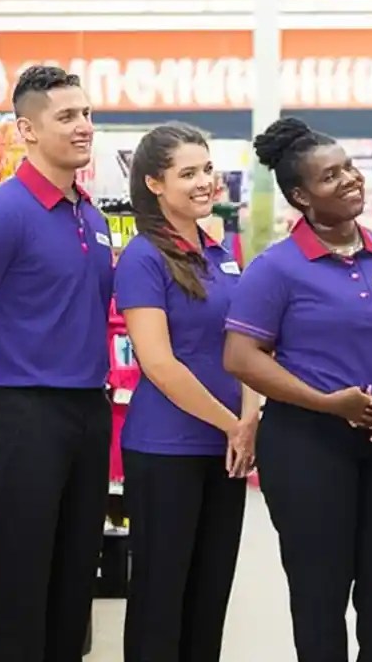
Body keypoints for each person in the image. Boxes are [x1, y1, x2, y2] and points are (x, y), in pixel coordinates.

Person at [222, 117, 372, 662]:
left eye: (348, 169)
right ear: (300, 196)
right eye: (329, 177)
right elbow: (241, 357)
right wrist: (325, 402)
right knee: (320, 589)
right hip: (305, 444)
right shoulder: (276, 269)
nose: (349, 181)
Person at [0, 65, 112, 661]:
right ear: (27, 129)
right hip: (22, 416)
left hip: (87, 414)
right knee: (20, 586)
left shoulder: (90, 217)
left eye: (87, 113)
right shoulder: (4, 213)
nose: (84, 127)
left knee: (74, 581)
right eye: (67, 116)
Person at [114, 123, 261, 662]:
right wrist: (234, 424)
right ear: (154, 183)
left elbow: (244, 346)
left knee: (210, 596)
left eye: (207, 169)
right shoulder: (143, 258)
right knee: (160, 598)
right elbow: (158, 363)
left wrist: (250, 419)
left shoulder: (221, 254)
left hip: (226, 449)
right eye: (188, 173)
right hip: (166, 448)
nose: (205, 182)